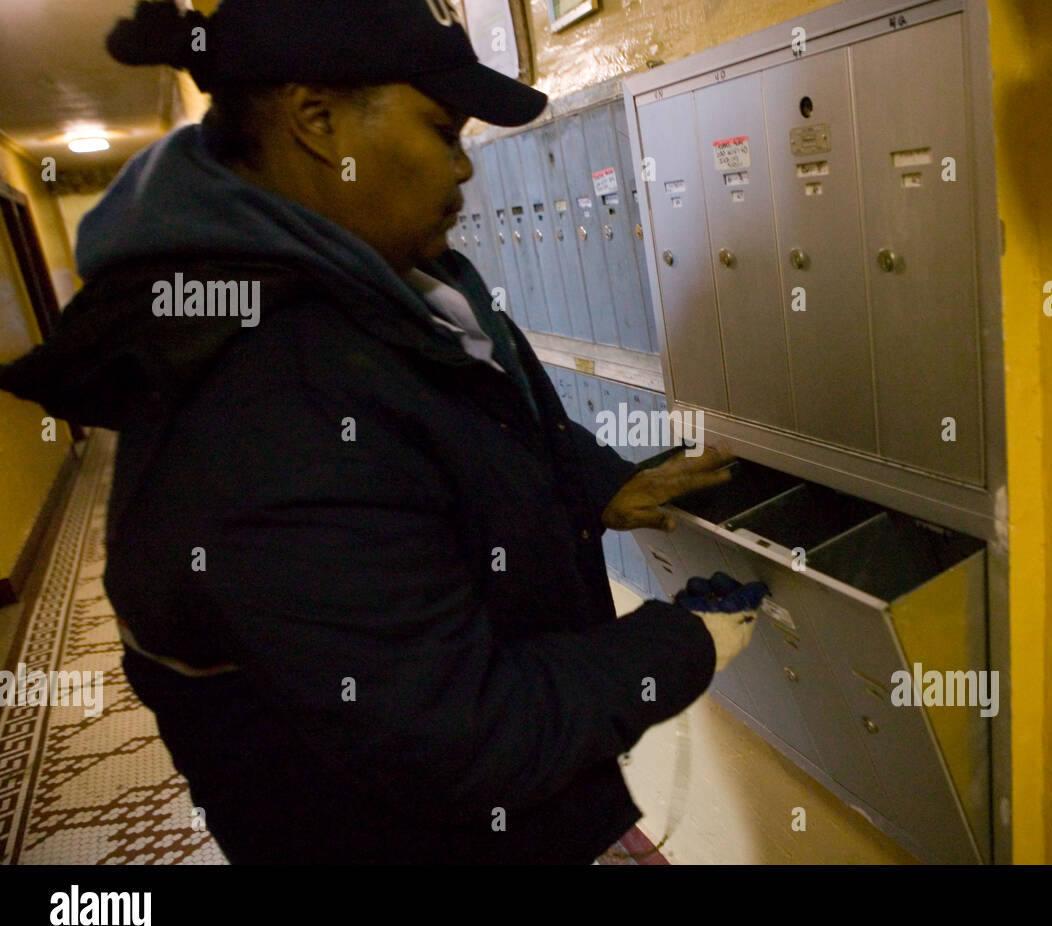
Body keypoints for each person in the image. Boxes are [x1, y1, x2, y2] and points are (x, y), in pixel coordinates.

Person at [0, 0, 765, 864]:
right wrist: (685, 640)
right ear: (317, 121)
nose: (465, 168)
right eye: (444, 129)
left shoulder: (391, 279)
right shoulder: (266, 404)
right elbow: (462, 733)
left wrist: (593, 482)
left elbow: (478, 416)